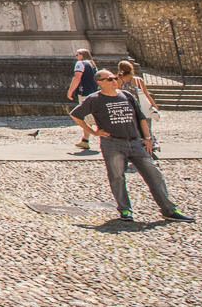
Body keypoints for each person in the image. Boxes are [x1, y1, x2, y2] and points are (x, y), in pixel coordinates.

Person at [69, 69, 192, 223]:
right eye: (110, 79)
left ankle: (169, 209)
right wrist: (93, 133)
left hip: (135, 142)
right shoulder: (94, 99)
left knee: (154, 175)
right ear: (100, 82)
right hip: (112, 143)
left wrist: (148, 138)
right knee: (117, 178)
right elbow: (75, 115)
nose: (115, 80)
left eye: (115, 77)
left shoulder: (127, 95)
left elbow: (140, 118)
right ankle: (125, 210)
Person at [115, 59, 160, 150]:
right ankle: (151, 144)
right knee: (146, 127)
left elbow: (117, 93)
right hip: (142, 107)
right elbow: (147, 94)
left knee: (132, 127)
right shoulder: (138, 80)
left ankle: (136, 145)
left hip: (128, 107)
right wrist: (153, 105)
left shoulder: (119, 80)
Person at [65, 48, 102, 152]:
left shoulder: (80, 64)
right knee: (88, 117)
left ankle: (106, 138)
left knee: (84, 116)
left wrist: (70, 91)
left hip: (85, 93)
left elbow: (77, 78)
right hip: (94, 92)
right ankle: (85, 140)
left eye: (77, 54)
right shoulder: (92, 64)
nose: (76, 56)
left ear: (82, 55)